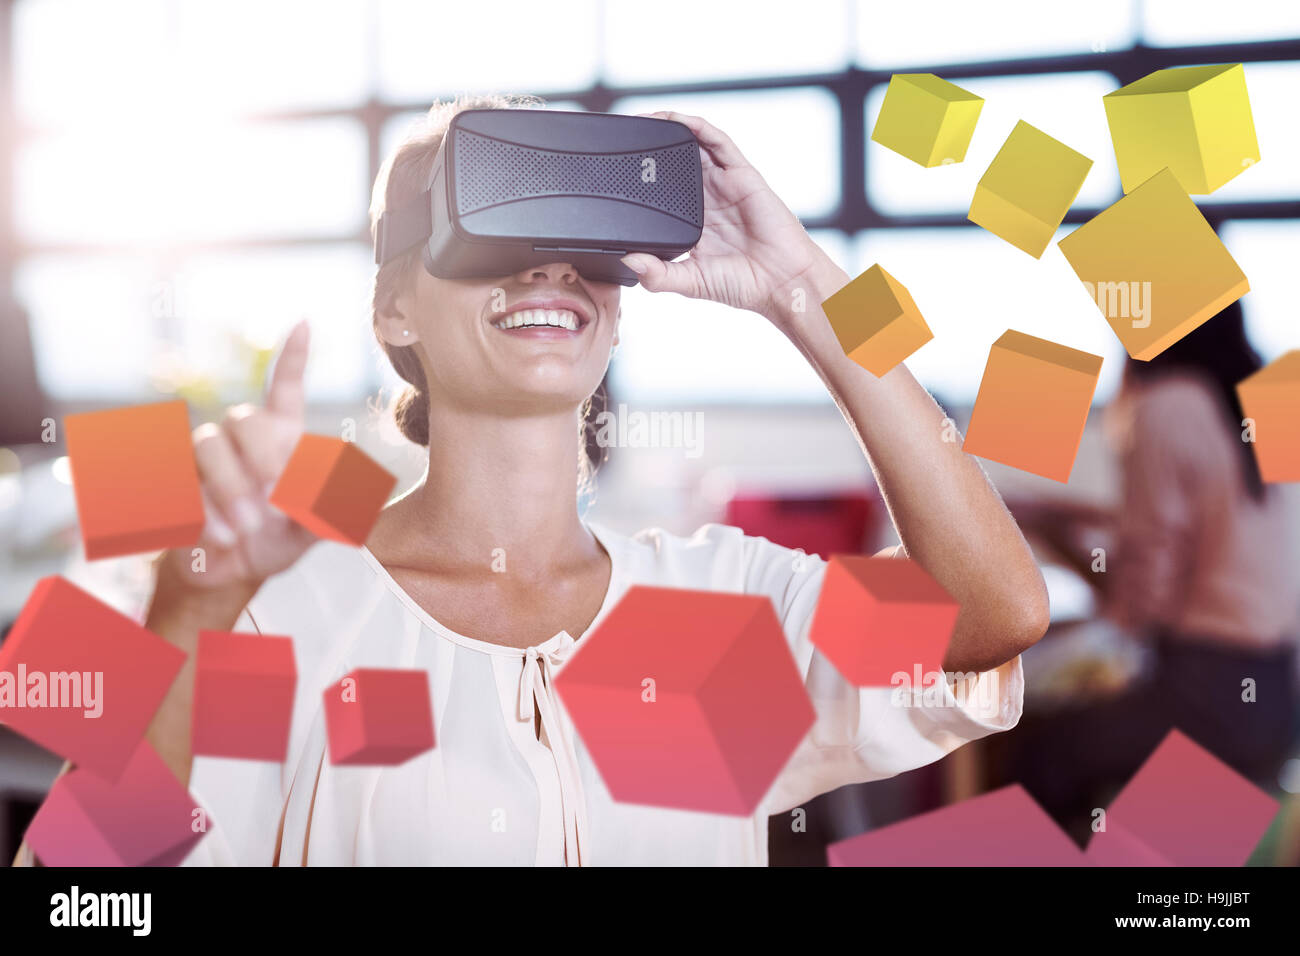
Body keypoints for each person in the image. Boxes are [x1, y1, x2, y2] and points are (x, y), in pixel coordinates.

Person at [19, 93, 1048, 866]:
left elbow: (995, 609)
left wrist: (802, 291)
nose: (546, 269)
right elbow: (88, 885)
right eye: (490, 229)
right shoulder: (285, 615)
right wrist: (192, 605)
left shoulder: (715, 614)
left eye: (577, 242)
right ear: (394, 310)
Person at [1013, 301, 1300, 835]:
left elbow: (1143, 599)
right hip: (1278, 696)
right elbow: (1218, 521)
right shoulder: (1262, 395)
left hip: (1210, 697)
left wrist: (1058, 542)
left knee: (1041, 752)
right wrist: (1069, 518)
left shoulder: (1164, 404)